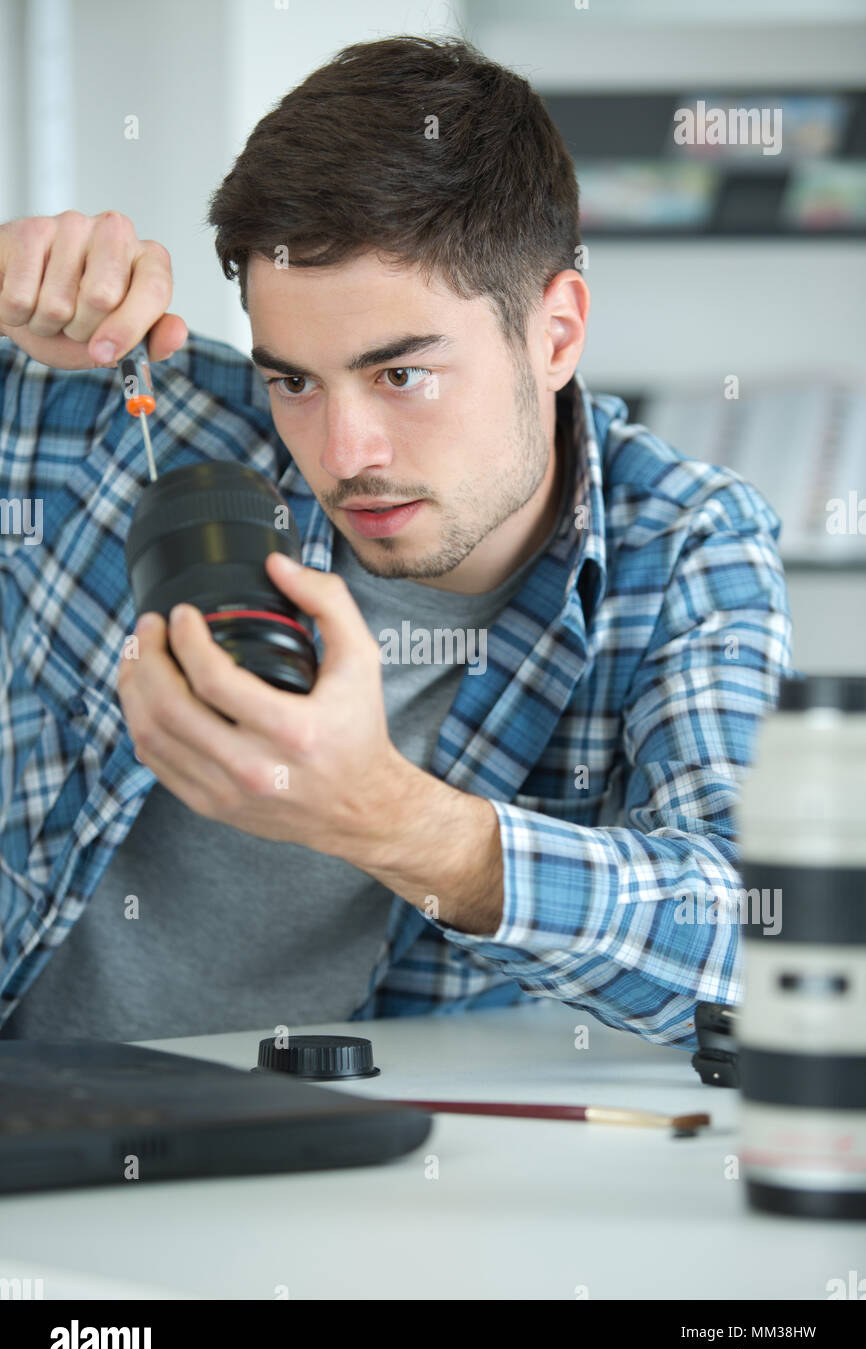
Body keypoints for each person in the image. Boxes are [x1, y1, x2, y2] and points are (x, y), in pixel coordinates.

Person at [0, 35, 793, 1047]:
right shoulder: (144, 423)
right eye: (292, 378)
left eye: (400, 375)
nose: (343, 454)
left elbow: (762, 942)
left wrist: (385, 817)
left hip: (385, 1181)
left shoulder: (680, 543)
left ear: (553, 334)